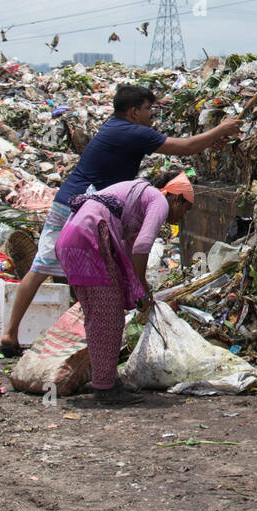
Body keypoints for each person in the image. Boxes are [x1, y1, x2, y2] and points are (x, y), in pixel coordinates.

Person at [0, 84, 239, 355]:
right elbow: (183, 147)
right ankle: (69, 342)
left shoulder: (117, 128)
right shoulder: (131, 131)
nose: (152, 115)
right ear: (134, 111)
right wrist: (222, 128)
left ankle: (18, 335)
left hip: (73, 202)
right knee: (71, 273)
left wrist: (211, 140)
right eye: (149, 109)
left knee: (45, 269)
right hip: (79, 208)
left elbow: (187, 146)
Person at [54, 170, 194, 404]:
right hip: (90, 239)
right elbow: (142, 245)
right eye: (186, 208)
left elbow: (129, 253)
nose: (184, 215)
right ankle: (105, 389)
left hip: (71, 238)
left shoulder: (139, 198)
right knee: (108, 316)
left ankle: (105, 379)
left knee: (99, 315)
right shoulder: (159, 200)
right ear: (176, 198)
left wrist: (137, 289)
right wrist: (144, 286)